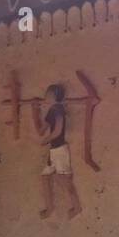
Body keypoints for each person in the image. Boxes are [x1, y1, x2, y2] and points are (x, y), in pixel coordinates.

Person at [37, 83, 82, 219]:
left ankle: (77, 207)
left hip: (60, 150)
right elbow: (41, 130)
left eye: (48, 94)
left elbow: (57, 130)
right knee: (46, 177)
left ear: (53, 96)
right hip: (54, 151)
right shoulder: (53, 111)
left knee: (64, 180)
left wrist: (47, 139)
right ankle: (50, 207)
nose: (45, 96)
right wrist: (35, 113)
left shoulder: (57, 110)